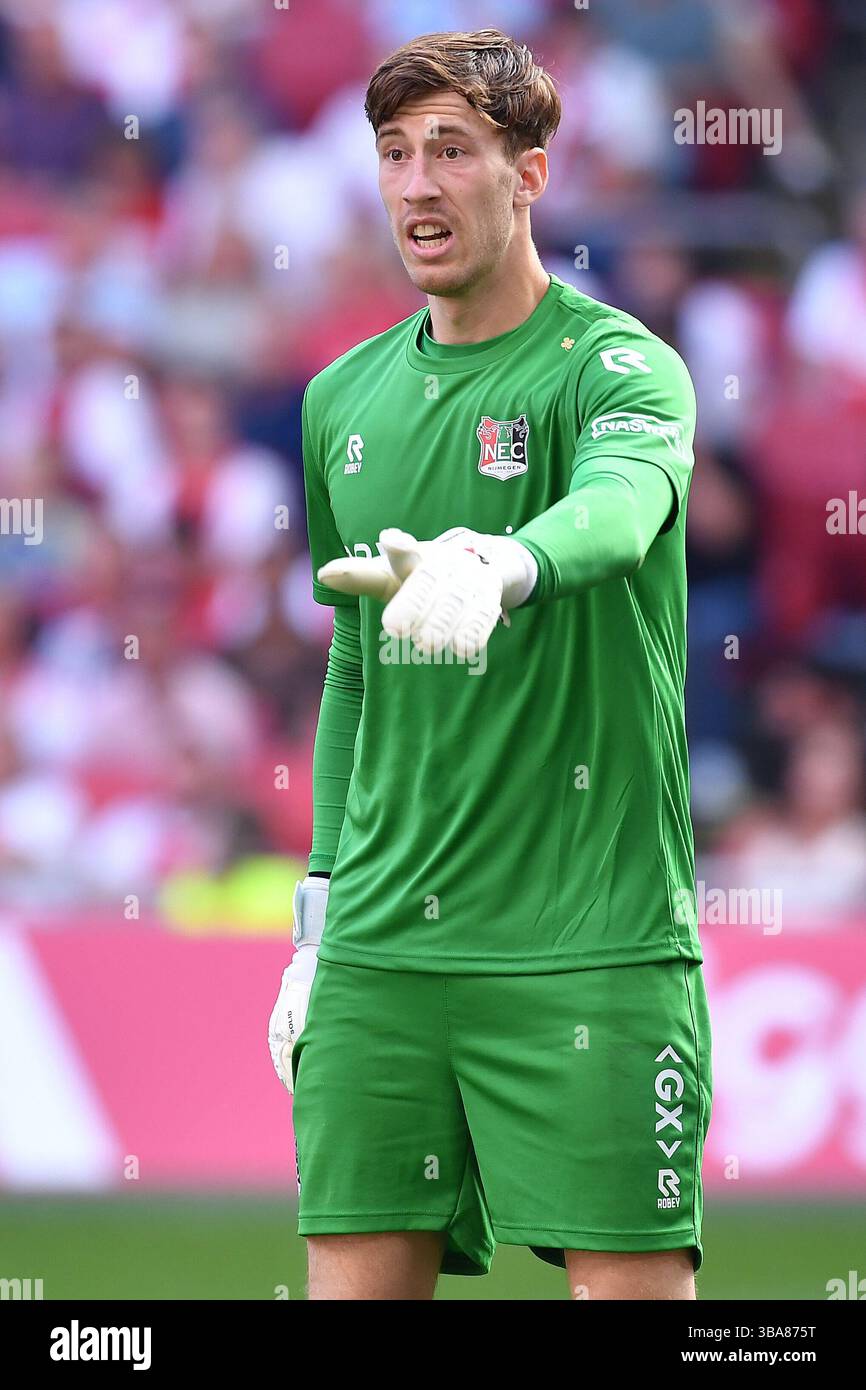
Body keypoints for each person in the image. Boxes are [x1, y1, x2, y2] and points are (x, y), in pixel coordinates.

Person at [268, 28, 712, 1301]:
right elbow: (355, 666)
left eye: (452, 151)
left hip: (591, 941)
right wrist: (317, 914)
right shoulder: (338, 400)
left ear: (527, 175)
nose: (417, 183)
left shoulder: (620, 366)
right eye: (394, 154)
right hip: (378, 951)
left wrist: (500, 564)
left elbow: (622, 510)